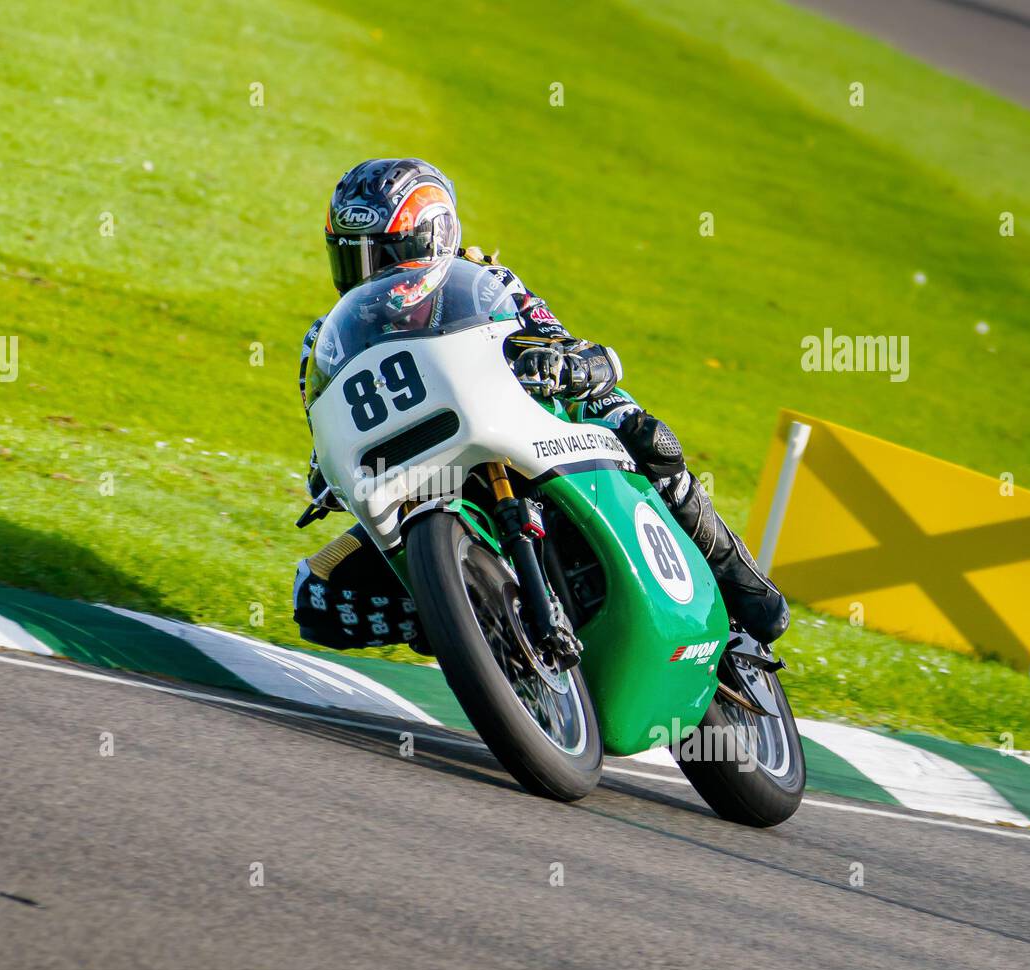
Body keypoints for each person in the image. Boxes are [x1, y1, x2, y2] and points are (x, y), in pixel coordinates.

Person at [294, 157, 789, 650]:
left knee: (644, 433)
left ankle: (736, 575)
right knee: (314, 596)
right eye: (350, 256)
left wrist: (574, 364)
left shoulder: (485, 280)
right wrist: (327, 472)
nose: (367, 273)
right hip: (414, 485)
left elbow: (557, 338)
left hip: (521, 429)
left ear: (432, 240)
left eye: (381, 255)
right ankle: (466, 618)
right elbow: (326, 431)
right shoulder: (326, 341)